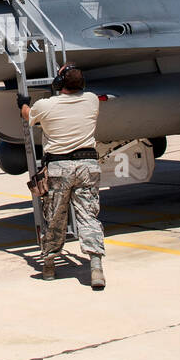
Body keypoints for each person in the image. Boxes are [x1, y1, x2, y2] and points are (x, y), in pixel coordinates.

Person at [19, 64, 106, 288]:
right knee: (88, 216)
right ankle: (96, 268)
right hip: (88, 166)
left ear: (58, 84)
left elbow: (28, 117)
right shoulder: (91, 100)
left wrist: (22, 103)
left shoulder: (46, 106)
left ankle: (48, 265)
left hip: (59, 168)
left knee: (55, 217)